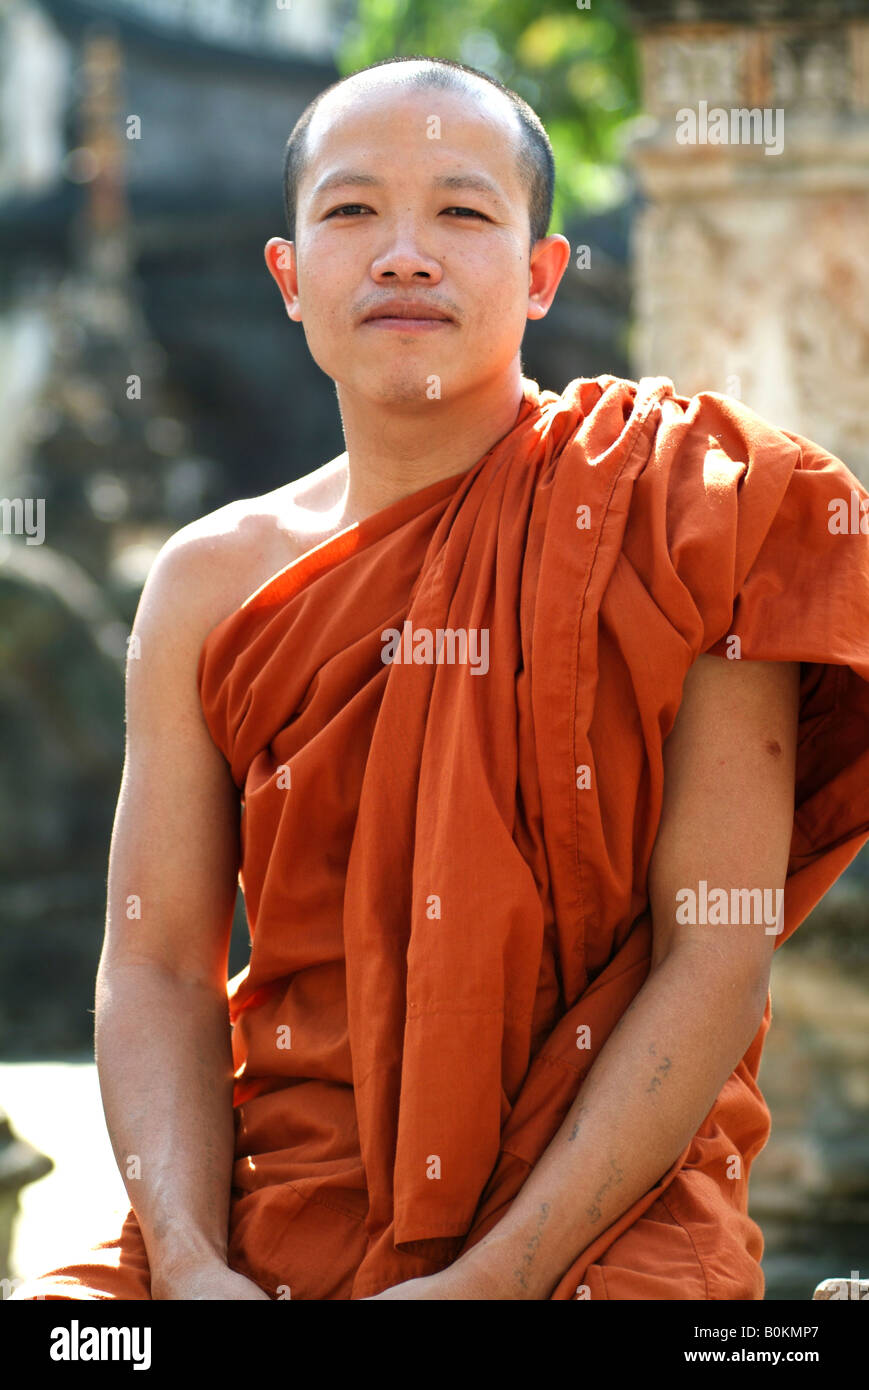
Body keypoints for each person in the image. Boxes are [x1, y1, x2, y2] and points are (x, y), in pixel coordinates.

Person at [10, 55, 869, 1302]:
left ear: (538, 273)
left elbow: (714, 952)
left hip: (592, 1227)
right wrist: (192, 1264)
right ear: (288, 276)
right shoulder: (208, 581)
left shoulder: (688, 518)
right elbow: (153, 966)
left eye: (461, 212)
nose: (403, 253)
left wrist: (488, 1285)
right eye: (352, 211)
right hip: (264, 1199)